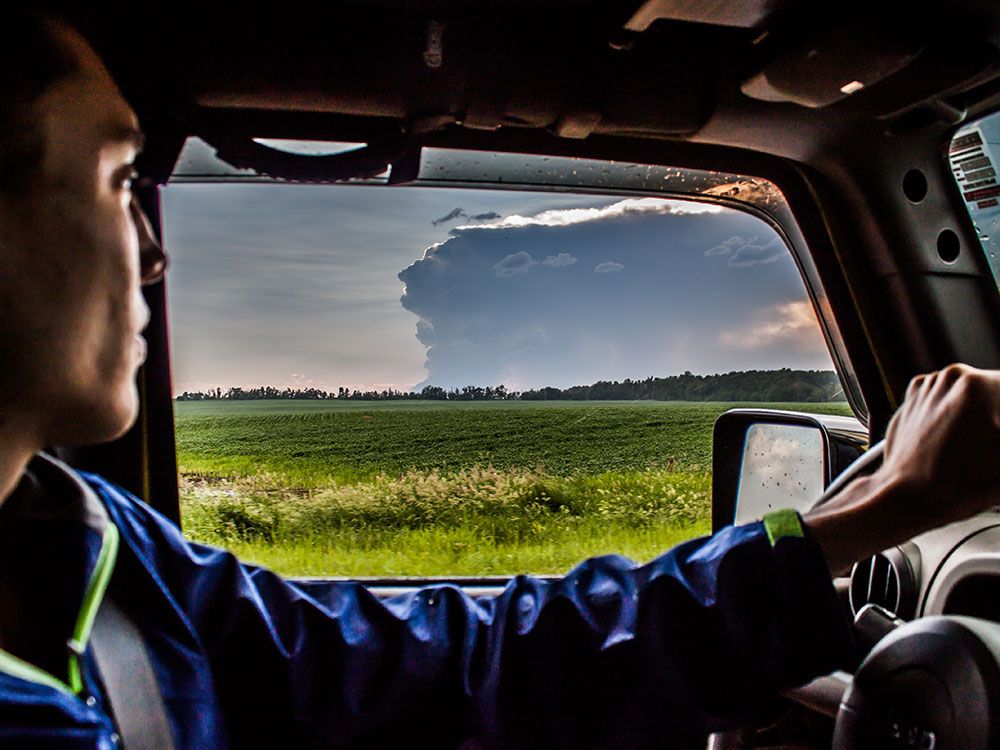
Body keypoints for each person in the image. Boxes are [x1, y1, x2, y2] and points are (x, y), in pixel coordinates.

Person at [2, 9, 1000, 749]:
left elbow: (459, 666)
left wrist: (852, 521)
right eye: (118, 179)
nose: (154, 252)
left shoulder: (89, 538)